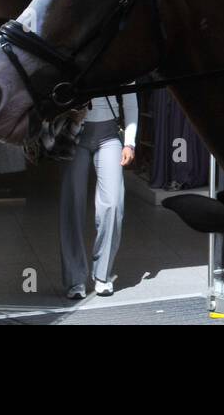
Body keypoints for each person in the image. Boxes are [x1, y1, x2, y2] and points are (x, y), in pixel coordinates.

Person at [60, 87, 138, 298]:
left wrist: (130, 142)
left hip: (109, 134)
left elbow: (130, 99)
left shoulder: (118, 60)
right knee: (72, 204)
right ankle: (75, 279)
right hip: (75, 132)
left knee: (113, 203)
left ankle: (103, 274)